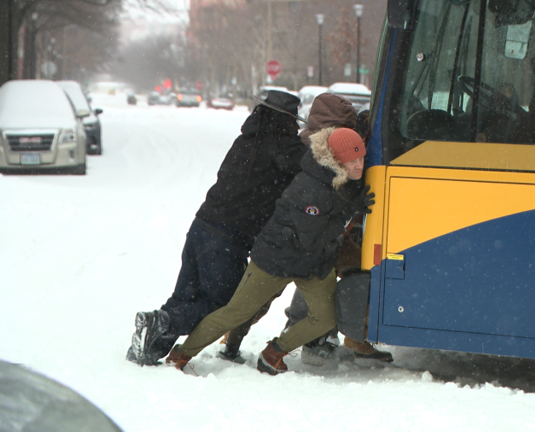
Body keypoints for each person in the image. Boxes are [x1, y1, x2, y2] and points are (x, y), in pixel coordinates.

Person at [165, 127, 374, 375]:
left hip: (313, 262)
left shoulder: (345, 180)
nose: (359, 166)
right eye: (352, 161)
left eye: (361, 158)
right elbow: (312, 235)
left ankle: (273, 353)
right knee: (235, 313)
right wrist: (349, 211)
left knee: (325, 318)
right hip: (276, 258)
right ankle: (180, 355)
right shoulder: (311, 187)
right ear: (337, 161)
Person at [126, 90, 306, 366]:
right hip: (226, 239)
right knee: (222, 304)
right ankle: (162, 322)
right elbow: (310, 166)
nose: (296, 128)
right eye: (294, 122)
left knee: (185, 295)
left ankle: (148, 346)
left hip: (201, 226)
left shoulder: (246, 139)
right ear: (286, 121)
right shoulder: (282, 146)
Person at [216, 92, 360, 362]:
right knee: (313, 281)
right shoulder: (317, 154)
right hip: (297, 238)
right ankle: (304, 335)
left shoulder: (299, 144)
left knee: (262, 297)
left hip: (280, 233)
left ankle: (233, 342)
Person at [283, 107, 393, 366]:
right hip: (321, 235)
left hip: (331, 232)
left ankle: (344, 335)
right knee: (330, 269)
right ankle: (312, 336)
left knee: (347, 268)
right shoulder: (336, 156)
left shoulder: (337, 150)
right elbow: (330, 207)